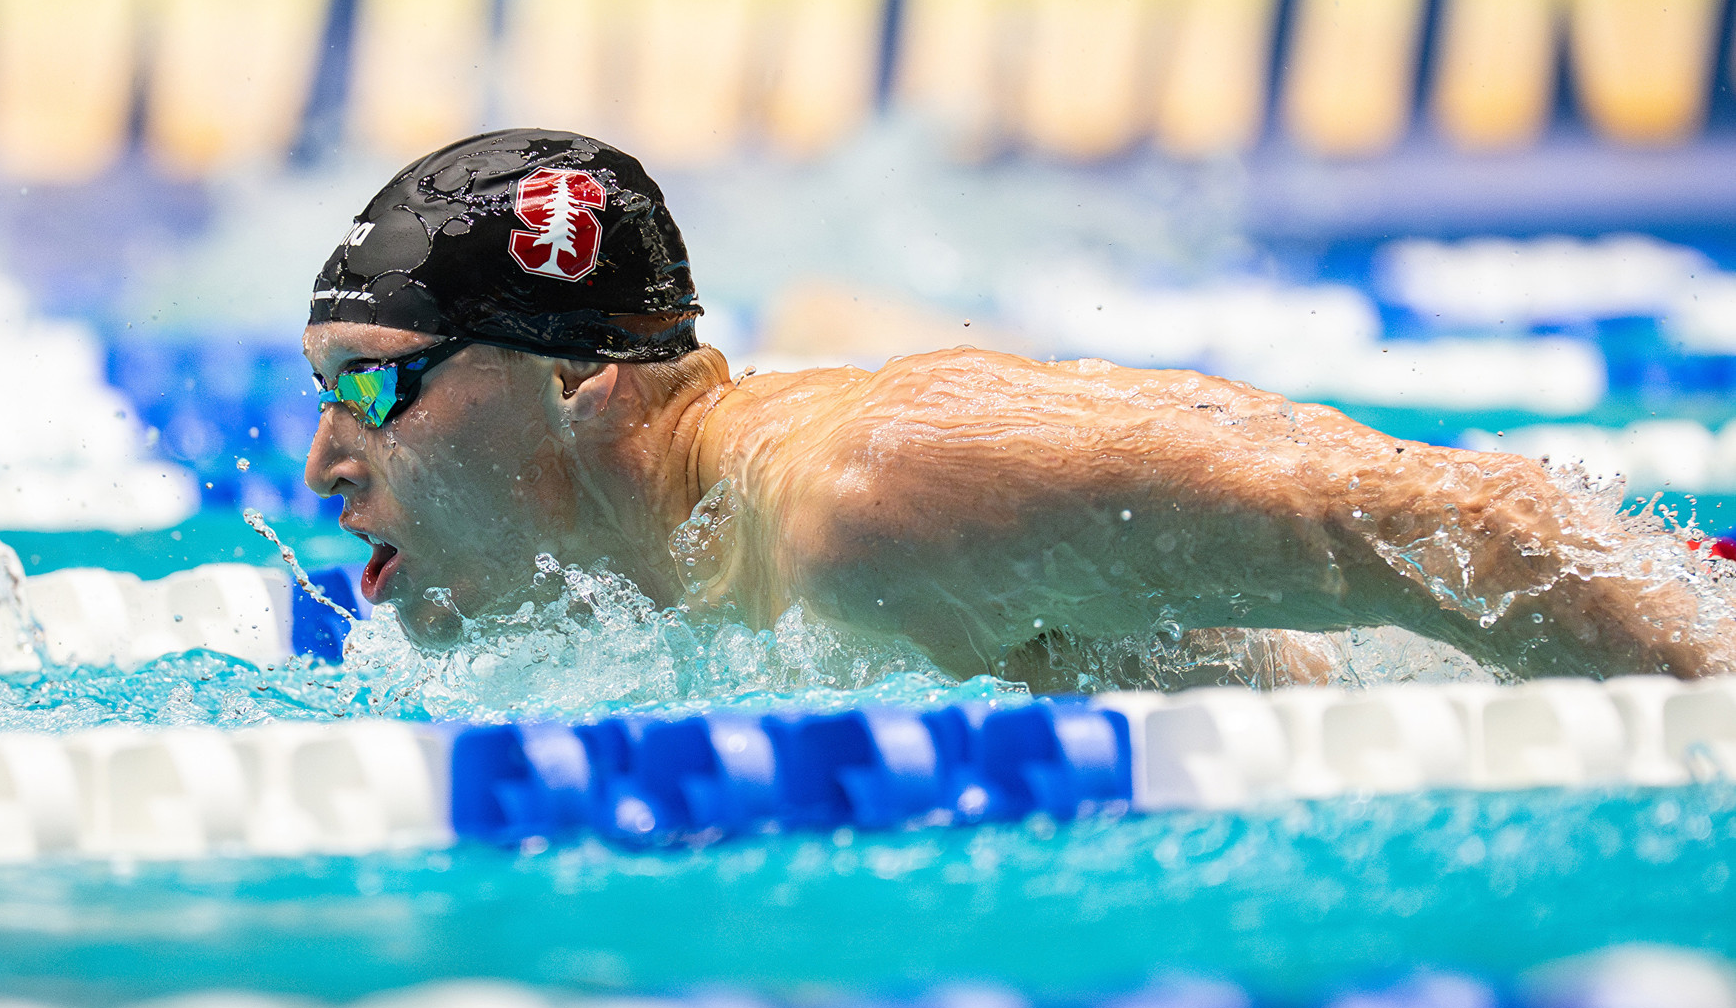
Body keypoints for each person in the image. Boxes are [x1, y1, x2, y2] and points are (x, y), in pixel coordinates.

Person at [302, 129, 1733, 688]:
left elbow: (1468, 519)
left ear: (571, 381)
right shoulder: (684, 557)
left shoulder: (875, 498)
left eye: (370, 388)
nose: (321, 465)